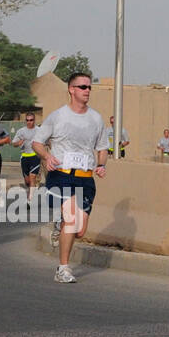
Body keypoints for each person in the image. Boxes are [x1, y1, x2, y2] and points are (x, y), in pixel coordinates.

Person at [34, 73, 108, 283]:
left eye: (89, 87)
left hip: (85, 178)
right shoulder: (57, 116)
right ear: (71, 89)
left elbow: (102, 148)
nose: (87, 91)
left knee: (80, 231)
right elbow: (38, 143)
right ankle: (63, 269)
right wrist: (47, 156)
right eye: (82, 87)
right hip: (62, 175)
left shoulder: (96, 118)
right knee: (71, 220)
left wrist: (101, 165)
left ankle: (59, 224)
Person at [10, 111, 41, 199]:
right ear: (25, 121)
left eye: (31, 120)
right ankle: (31, 189)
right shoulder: (21, 131)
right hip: (25, 157)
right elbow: (14, 143)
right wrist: (19, 142)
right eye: (27, 120)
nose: (29, 122)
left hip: (35, 156)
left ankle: (30, 199)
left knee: (32, 176)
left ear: (34, 120)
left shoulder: (39, 130)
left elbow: (45, 141)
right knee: (27, 181)